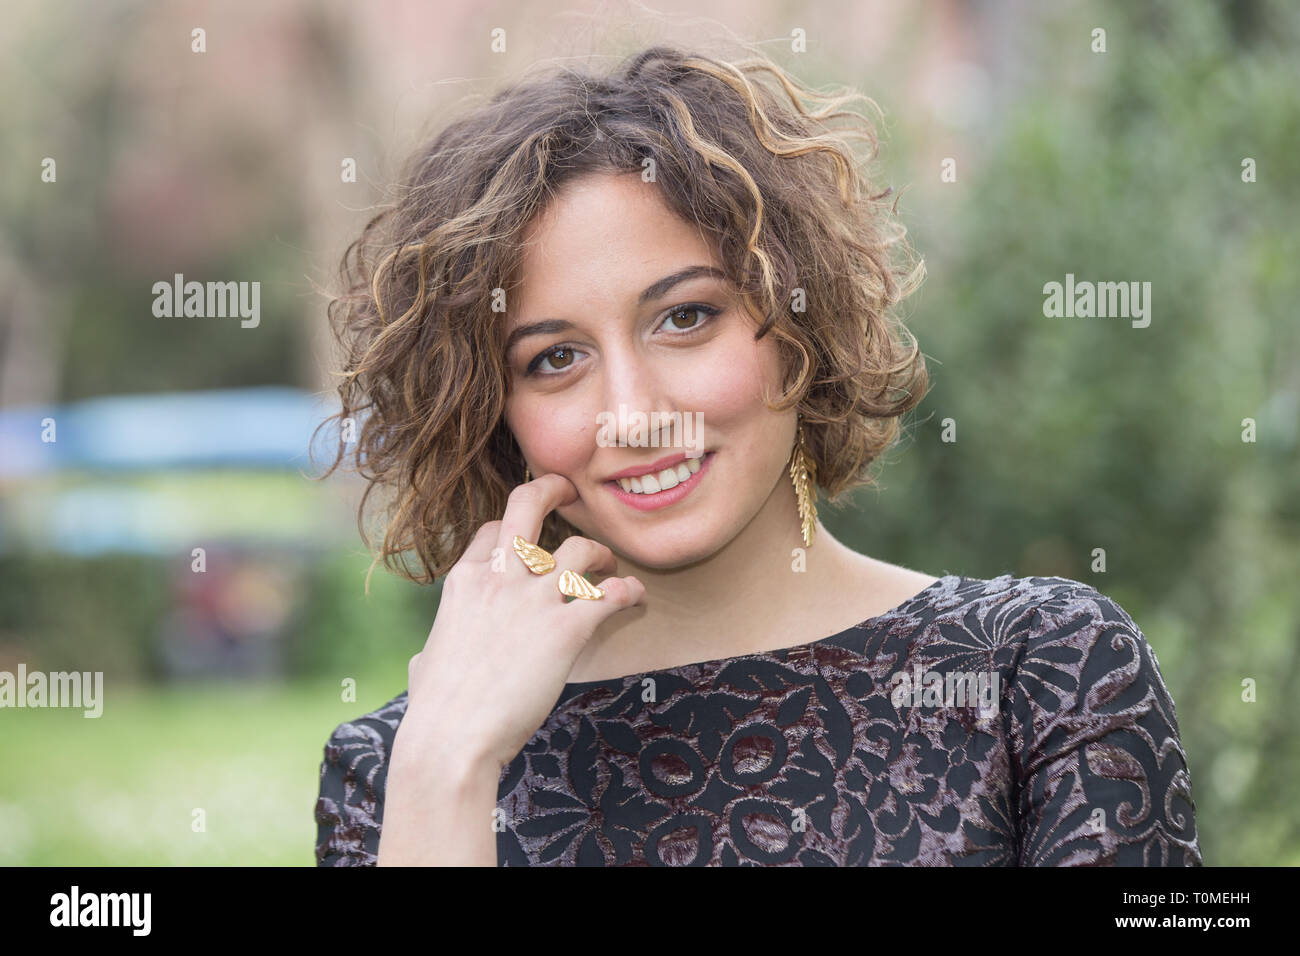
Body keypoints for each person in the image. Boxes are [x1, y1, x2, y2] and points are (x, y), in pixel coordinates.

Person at [312, 44, 1201, 866]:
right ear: (492, 412)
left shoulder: (1038, 674)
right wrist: (446, 771)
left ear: (794, 327)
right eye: (555, 359)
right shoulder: (396, 770)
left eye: (686, 316)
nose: (633, 414)